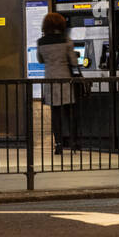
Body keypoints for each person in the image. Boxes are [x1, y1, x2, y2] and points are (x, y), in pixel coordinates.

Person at [37, 12, 80, 154]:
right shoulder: (66, 40)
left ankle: (58, 145)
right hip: (65, 80)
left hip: (50, 80)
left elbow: (40, 60)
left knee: (55, 114)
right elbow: (73, 62)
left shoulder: (41, 42)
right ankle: (74, 142)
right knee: (70, 112)